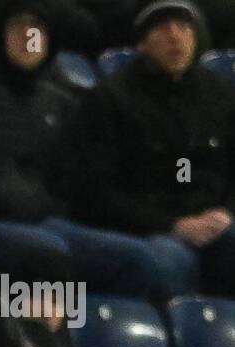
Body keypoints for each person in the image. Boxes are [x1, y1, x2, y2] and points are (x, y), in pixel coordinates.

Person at [0, 0, 189, 301]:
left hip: (41, 220)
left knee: (142, 259)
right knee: (49, 250)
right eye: (20, 28)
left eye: (39, 30)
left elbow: (76, 175)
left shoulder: (58, 100)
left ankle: (95, 338)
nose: (29, 38)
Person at [66, 0, 235, 295]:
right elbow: (94, 193)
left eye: (183, 27)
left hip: (217, 221)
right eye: (162, 27)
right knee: (166, 263)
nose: (175, 36)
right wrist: (173, 224)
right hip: (150, 229)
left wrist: (227, 213)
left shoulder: (221, 95)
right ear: (142, 43)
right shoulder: (110, 99)